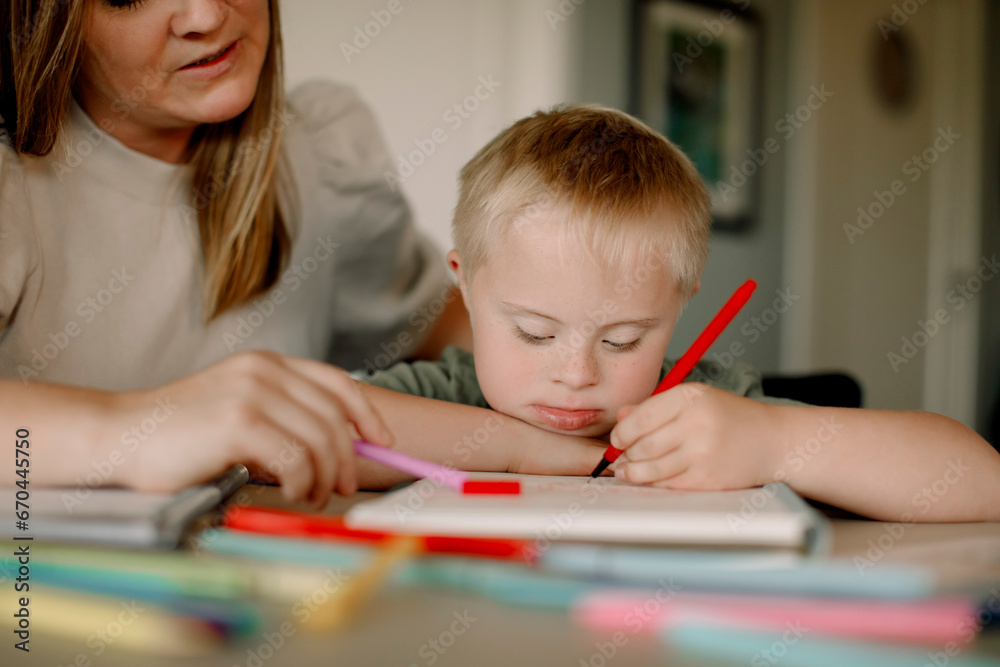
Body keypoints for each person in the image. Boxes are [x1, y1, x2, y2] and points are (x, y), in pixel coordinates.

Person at [0, 0, 603, 507]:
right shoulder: (15, 183)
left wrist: (612, 381)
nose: (206, 15)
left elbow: (462, 332)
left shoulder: (319, 159)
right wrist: (141, 431)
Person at [359, 104, 1000, 522]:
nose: (575, 374)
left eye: (623, 340)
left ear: (678, 305)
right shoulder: (449, 394)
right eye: (534, 332)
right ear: (463, 286)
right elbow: (295, 437)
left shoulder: (706, 406)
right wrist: (522, 452)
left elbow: (980, 481)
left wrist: (773, 442)